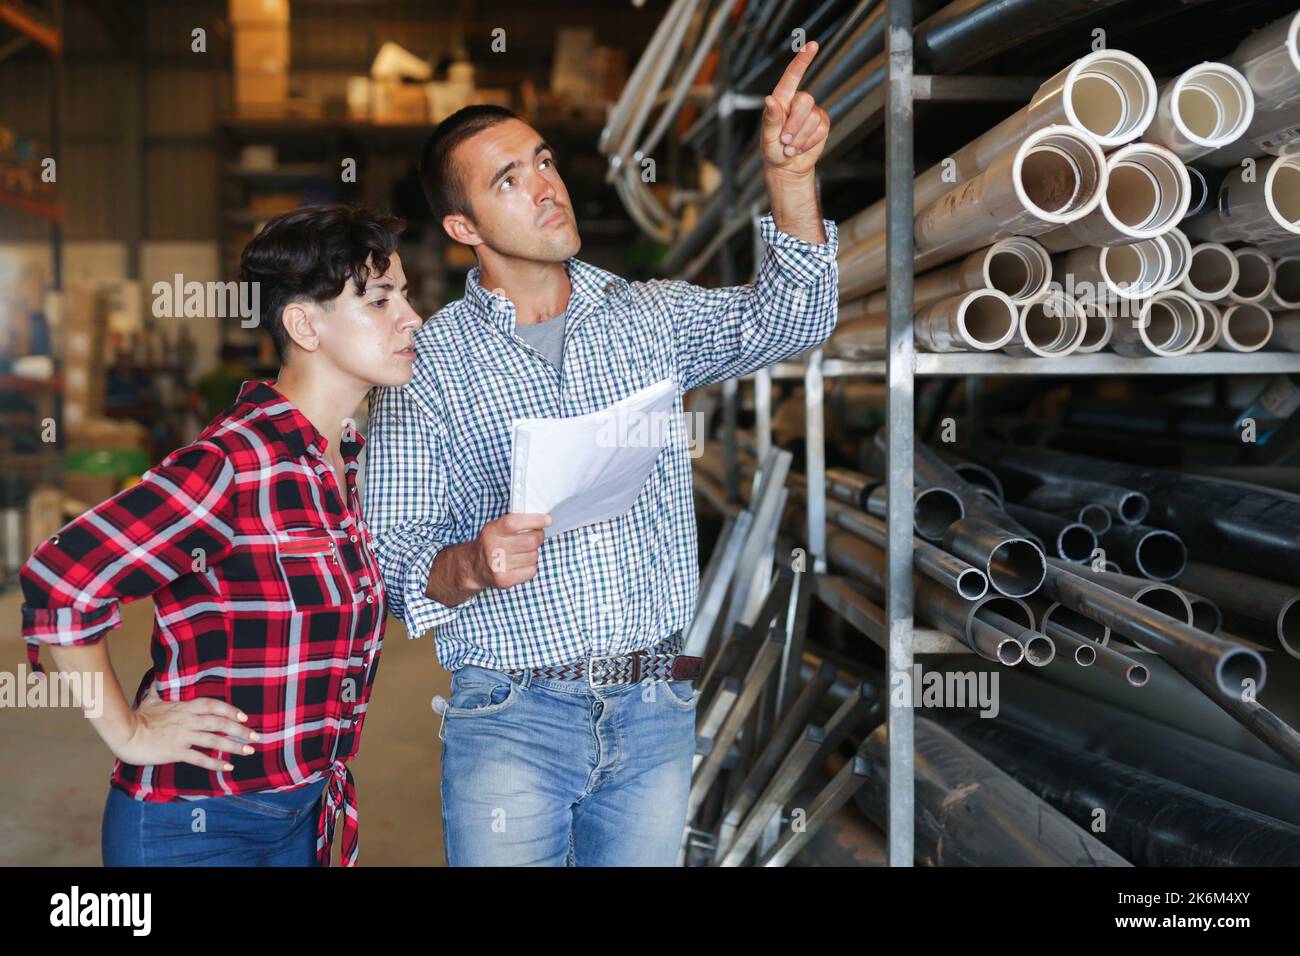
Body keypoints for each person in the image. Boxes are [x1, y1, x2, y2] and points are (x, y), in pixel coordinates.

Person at [364, 42, 837, 866]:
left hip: (654, 705)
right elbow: (391, 556)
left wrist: (790, 182)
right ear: (463, 227)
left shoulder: (649, 316)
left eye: (543, 162)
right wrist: (471, 564)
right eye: (507, 179)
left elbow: (792, 318)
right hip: (511, 717)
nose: (544, 186)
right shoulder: (425, 366)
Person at [19, 204, 423, 866]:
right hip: (196, 824)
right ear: (303, 324)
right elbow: (62, 579)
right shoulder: (238, 462)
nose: (411, 316)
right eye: (380, 299)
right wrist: (128, 731)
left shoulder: (340, 459)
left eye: (404, 294)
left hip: (303, 813)